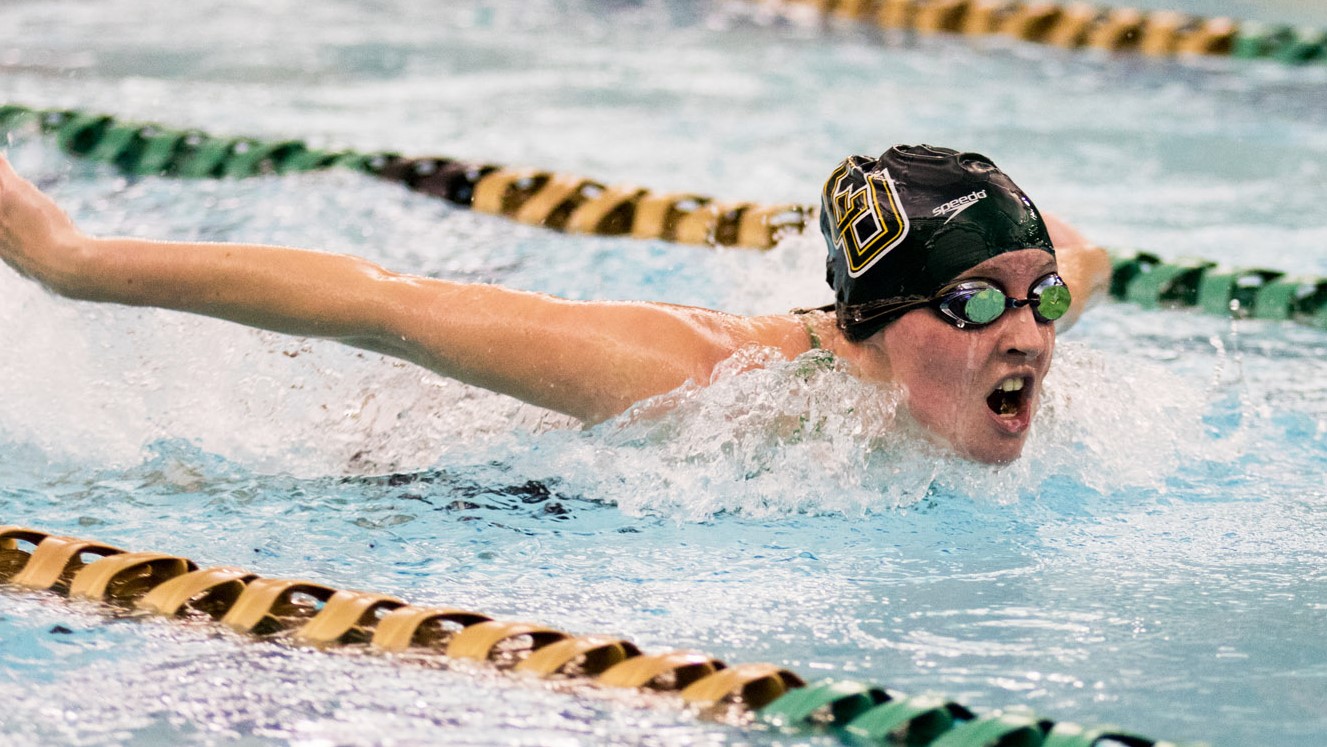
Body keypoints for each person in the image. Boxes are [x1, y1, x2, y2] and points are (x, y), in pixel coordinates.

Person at [0, 145, 1109, 465]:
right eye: (972, 306)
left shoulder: (1004, 331)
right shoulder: (702, 377)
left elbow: (1080, 257)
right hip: (433, 486)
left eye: (1039, 301)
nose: (1028, 336)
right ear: (870, 323)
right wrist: (72, 258)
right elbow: (384, 303)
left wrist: (1041, 271)